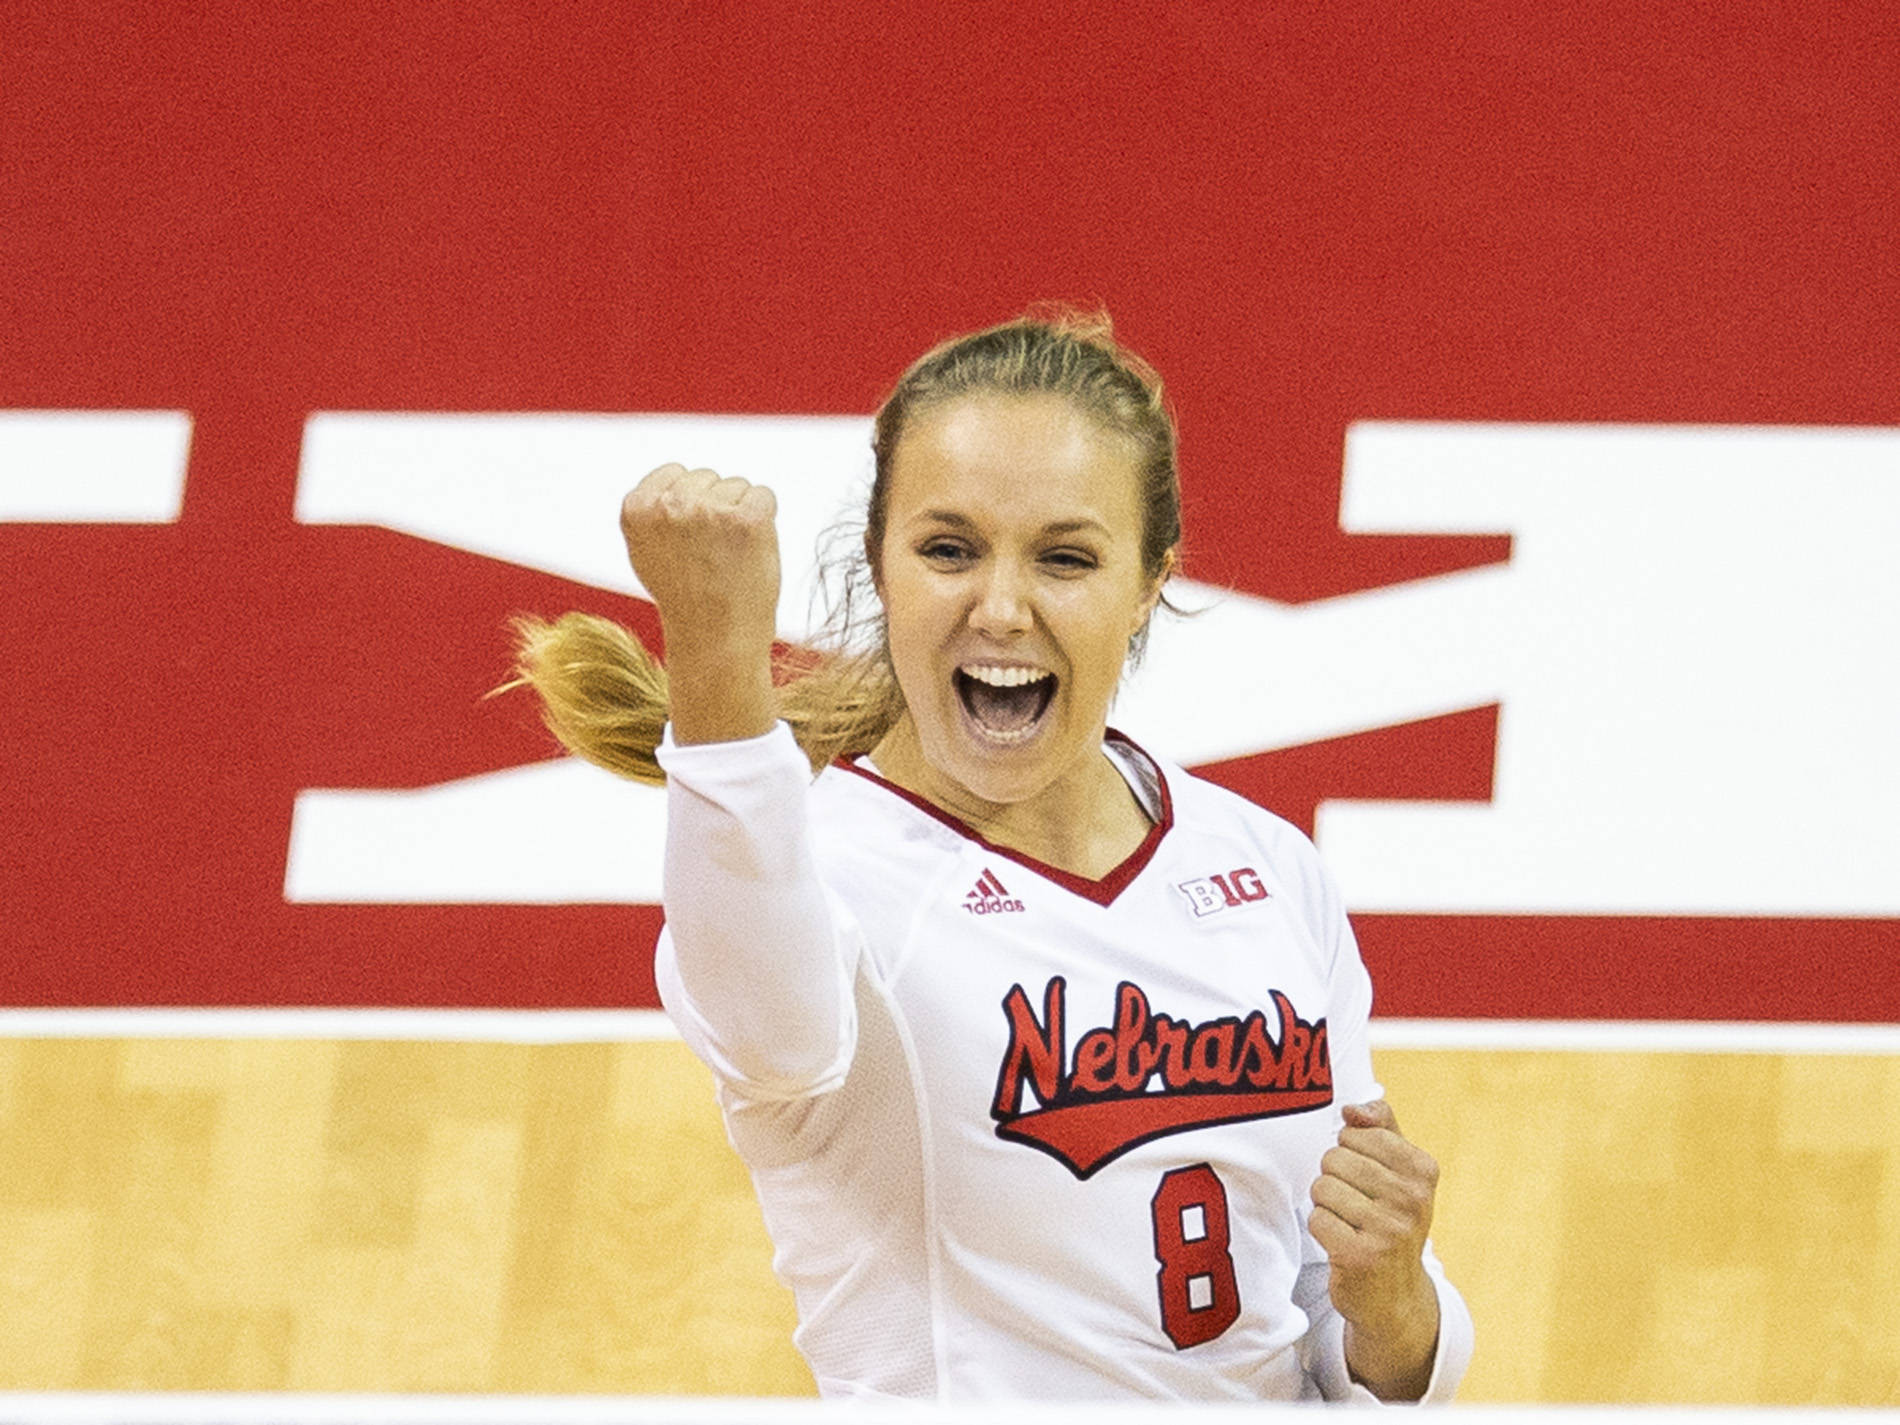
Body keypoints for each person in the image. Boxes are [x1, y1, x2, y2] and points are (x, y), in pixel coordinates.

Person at [513, 311, 1473, 1401]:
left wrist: (1397, 1302)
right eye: (948, 551)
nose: (1002, 609)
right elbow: (764, 1028)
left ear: (1149, 579)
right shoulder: (818, 876)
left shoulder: (1266, 866)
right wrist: (718, 662)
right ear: (880, 565)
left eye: (1064, 558)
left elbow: (1340, 1326)